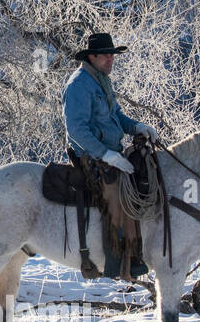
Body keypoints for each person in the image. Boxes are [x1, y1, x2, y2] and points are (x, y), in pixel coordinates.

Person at [62, 31, 160, 278]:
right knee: (118, 195)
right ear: (91, 57)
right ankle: (117, 261)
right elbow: (76, 130)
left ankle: (137, 253)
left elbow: (116, 115)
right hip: (91, 158)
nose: (110, 60)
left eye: (112, 55)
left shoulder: (101, 81)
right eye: (105, 56)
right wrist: (106, 154)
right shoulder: (78, 85)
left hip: (110, 153)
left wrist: (137, 127)